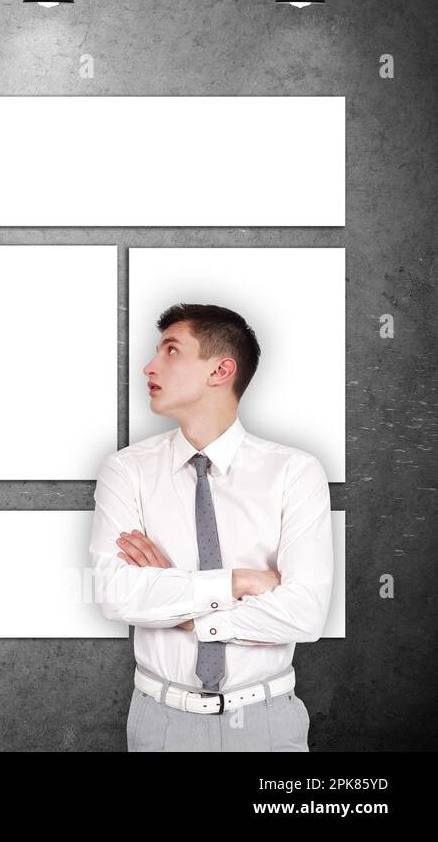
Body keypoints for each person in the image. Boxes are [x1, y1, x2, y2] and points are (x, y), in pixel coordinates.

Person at [89, 303, 334, 751]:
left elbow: (305, 614)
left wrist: (174, 600)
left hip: (267, 721)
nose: (149, 366)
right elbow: (113, 594)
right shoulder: (127, 470)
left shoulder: (295, 472)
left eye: (171, 350)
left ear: (221, 370)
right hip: (158, 721)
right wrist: (239, 581)